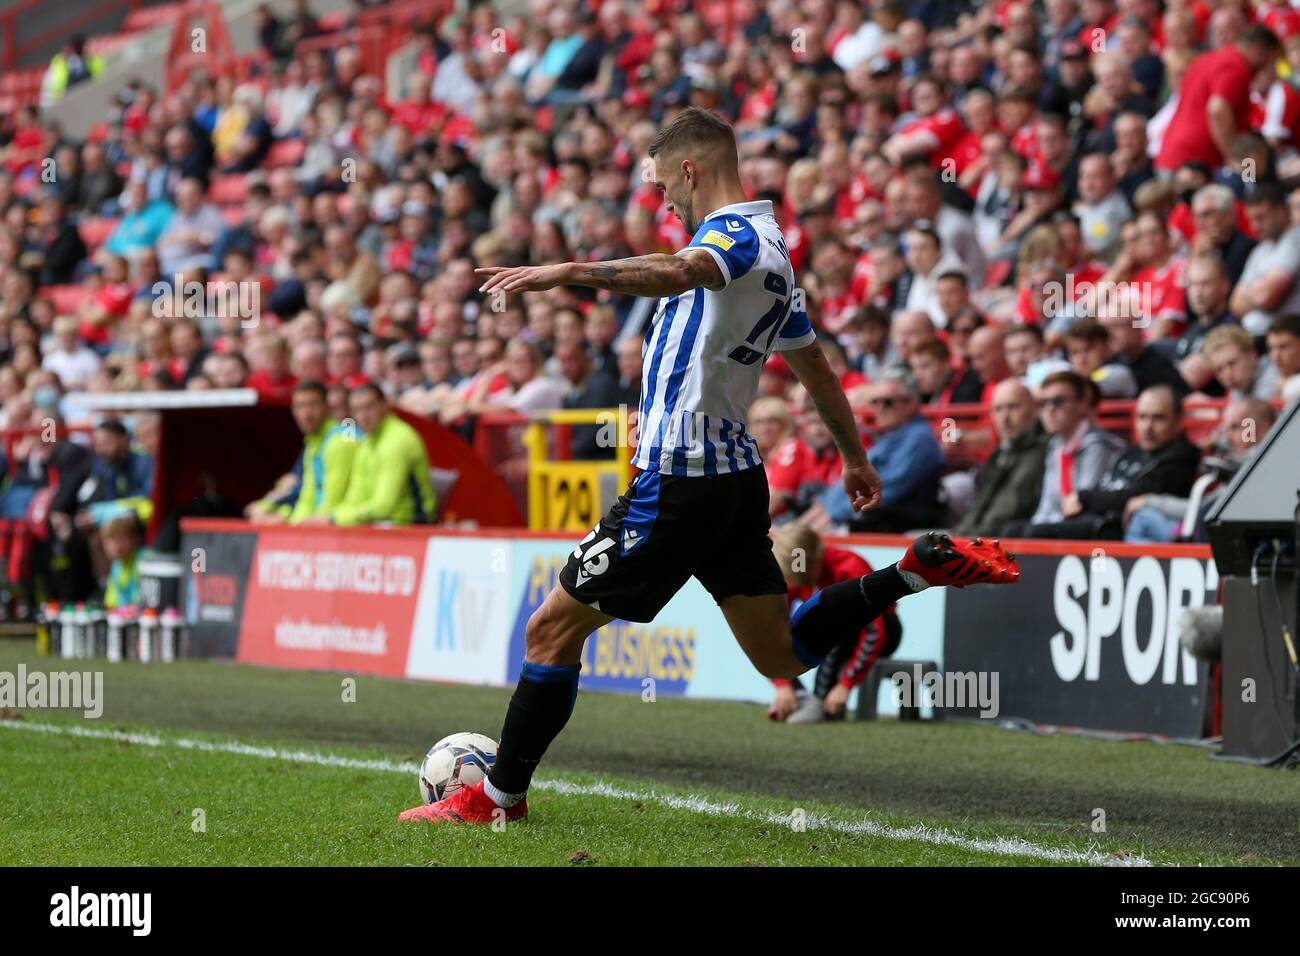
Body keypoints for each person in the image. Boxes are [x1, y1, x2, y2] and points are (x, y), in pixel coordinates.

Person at [400, 107, 1018, 825]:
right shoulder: (775, 252)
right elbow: (814, 366)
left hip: (680, 477)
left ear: (692, 169)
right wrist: (854, 456)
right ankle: (915, 569)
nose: (663, 199)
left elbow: (679, 270)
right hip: (732, 480)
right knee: (782, 659)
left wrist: (565, 272)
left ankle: (498, 801)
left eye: (665, 183)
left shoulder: (732, 235)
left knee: (549, 630)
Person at [1010, 385, 1200, 540]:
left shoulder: (1182, 456)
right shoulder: (1133, 451)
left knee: (1035, 534)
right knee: (1012, 531)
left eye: (1158, 418)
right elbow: (1108, 488)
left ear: (1178, 421)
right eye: (1142, 417)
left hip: (1115, 530)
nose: (1147, 427)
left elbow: (1135, 495)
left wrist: (1085, 498)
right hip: (1094, 518)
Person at [767, 524, 901, 725]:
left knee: (835, 626)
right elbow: (775, 629)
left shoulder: (849, 567)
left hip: (884, 631)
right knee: (778, 633)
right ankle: (802, 697)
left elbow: (875, 632)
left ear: (815, 556)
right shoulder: (799, 565)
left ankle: (820, 703)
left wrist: (845, 685)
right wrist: (783, 684)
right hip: (840, 633)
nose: (799, 582)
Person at [1002, 370, 1125, 537]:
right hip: (1063, 521)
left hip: (1094, 522)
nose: (1050, 410)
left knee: (1035, 532)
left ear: (1082, 404)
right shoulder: (1055, 446)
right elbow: (1047, 506)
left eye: (1058, 402)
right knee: (1012, 530)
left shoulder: (1098, 444)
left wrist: (1040, 528)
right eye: (1043, 403)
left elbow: (1080, 503)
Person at [318, 383, 436, 527]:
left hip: (412, 524)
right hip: (379, 524)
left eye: (369, 407)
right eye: (356, 410)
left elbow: (384, 506)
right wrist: (331, 516)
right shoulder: (367, 443)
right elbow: (355, 497)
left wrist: (333, 519)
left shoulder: (397, 440)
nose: (363, 416)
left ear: (385, 405)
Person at [245, 380, 356, 524]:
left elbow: (331, 502)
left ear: (326, 407)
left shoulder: (340, 441)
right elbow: (307, 496)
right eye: (299, 406)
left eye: (312, 405)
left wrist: (288, 522)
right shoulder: (312, 442)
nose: (306, 413)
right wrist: (289, 520)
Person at [954, 380, 1049, 537]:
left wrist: (968, 540)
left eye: (1013, 407)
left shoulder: (1041, 449)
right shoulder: (999, 453)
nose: (1005, 417)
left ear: (1034, 409)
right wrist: (959, 535)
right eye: (998, 409)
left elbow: (1011, 506)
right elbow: (980, 504)